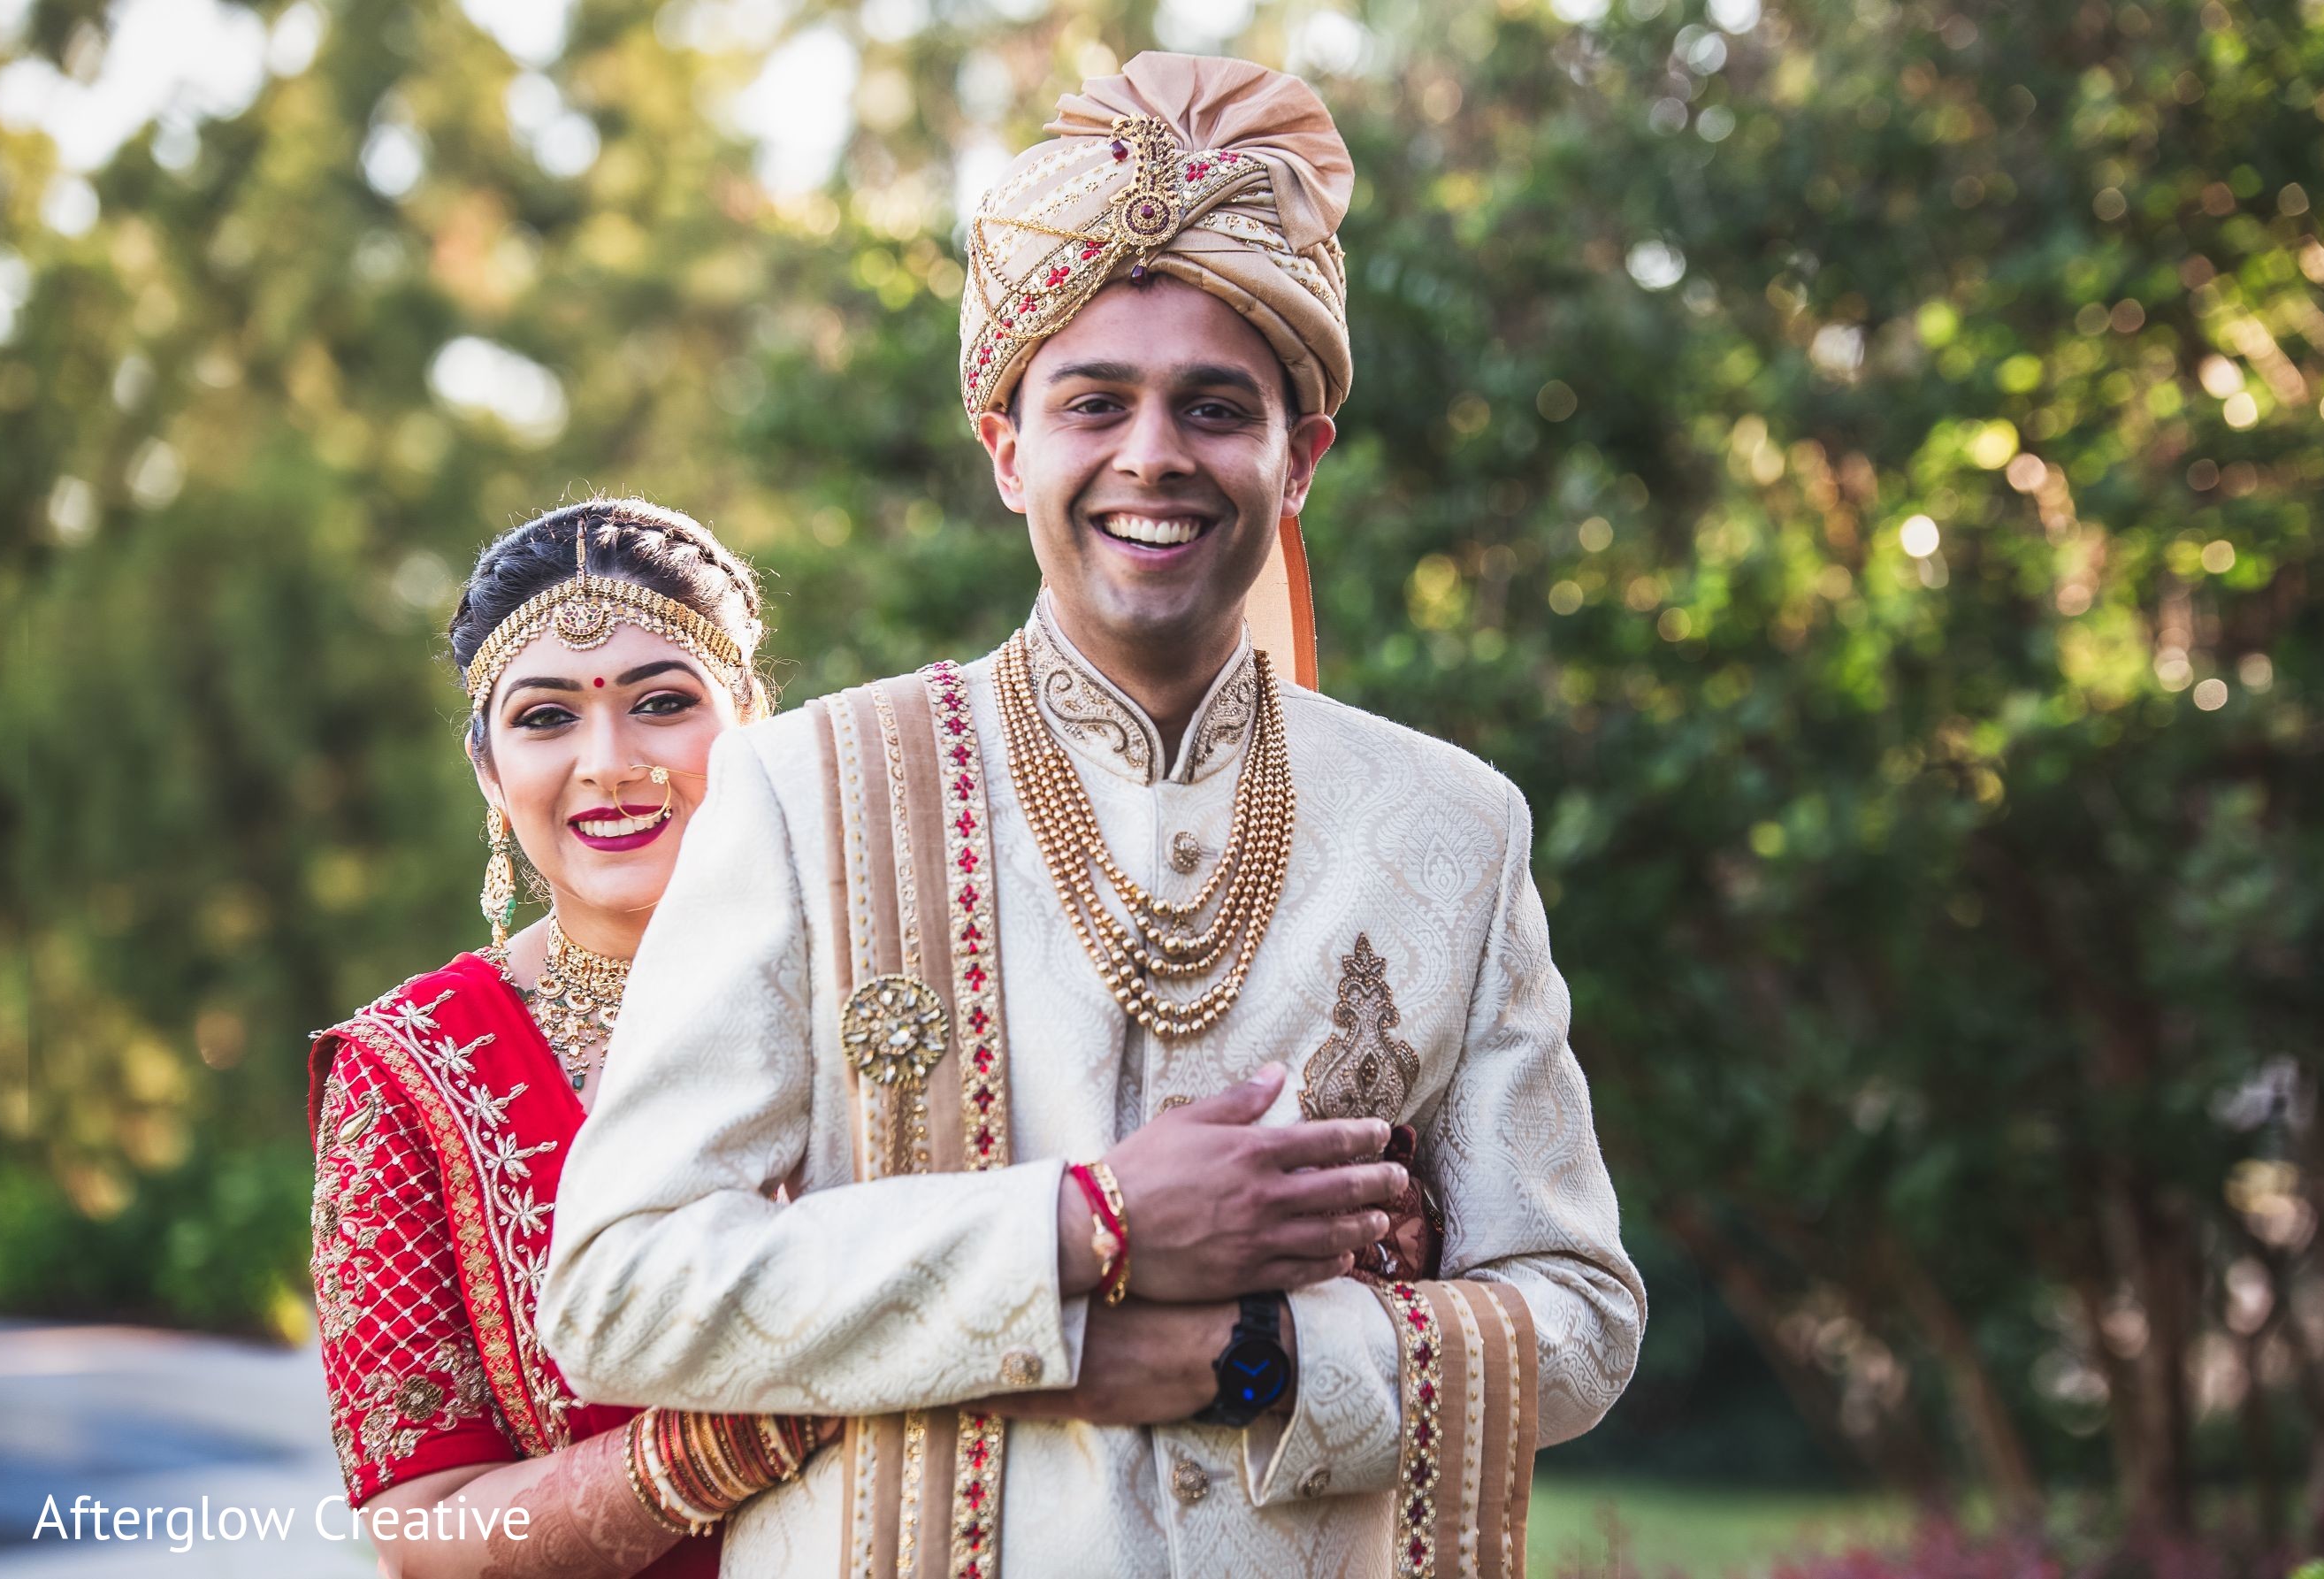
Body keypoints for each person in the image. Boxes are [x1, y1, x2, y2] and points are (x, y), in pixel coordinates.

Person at [539, 53, 1645, 1579]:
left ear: (1297, 458)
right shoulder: (805, 789)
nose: (1152, 456)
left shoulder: (1447, 828)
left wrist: (1255, 1362)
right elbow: (617, 1290)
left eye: (1213, 406)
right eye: (1092, 402)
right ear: (1007, 448)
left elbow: (1578, 1314)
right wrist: (1086, 1228)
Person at [305, 499, 829, 1578]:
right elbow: (424, 1526)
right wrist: (781, 1423)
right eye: (546, 718)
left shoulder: (890, 980)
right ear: (490, 773)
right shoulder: (408, 1074)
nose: (609, 760)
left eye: (663, 703)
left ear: (754, 726)